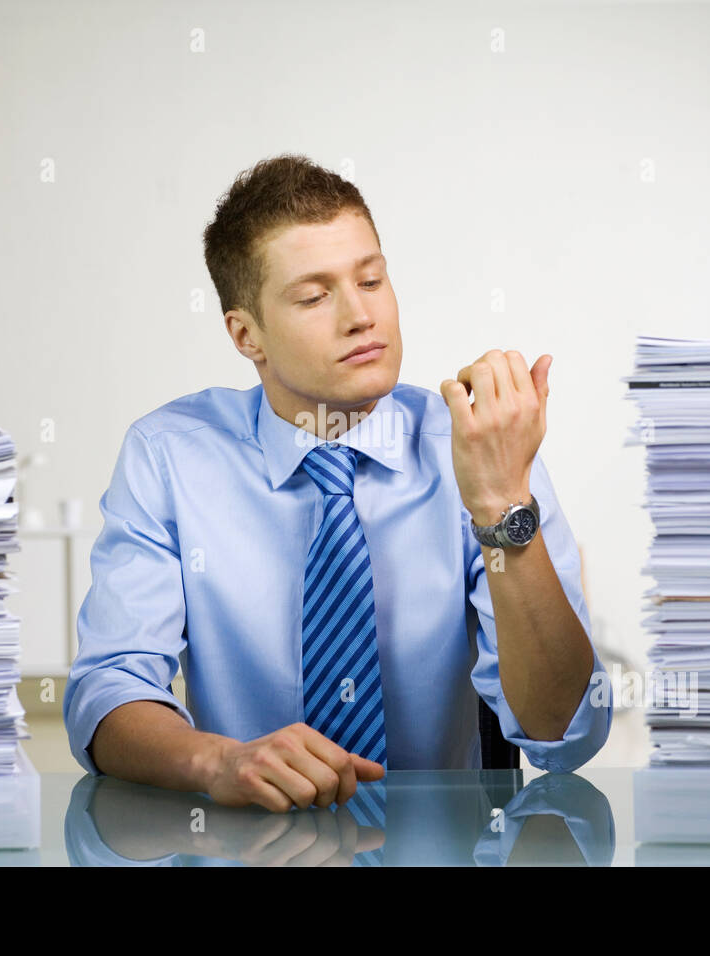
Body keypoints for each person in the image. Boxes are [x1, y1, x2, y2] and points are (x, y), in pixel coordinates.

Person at [63, 154, 611, 812]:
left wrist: (502, 505)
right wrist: (221, 761)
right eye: (315, 296)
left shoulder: (477, 444)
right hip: (249, 852)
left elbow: (565, 737)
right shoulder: (169, 458)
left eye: (372, 280)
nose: (360, 316)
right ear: (246, 334)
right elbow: (106, 693)